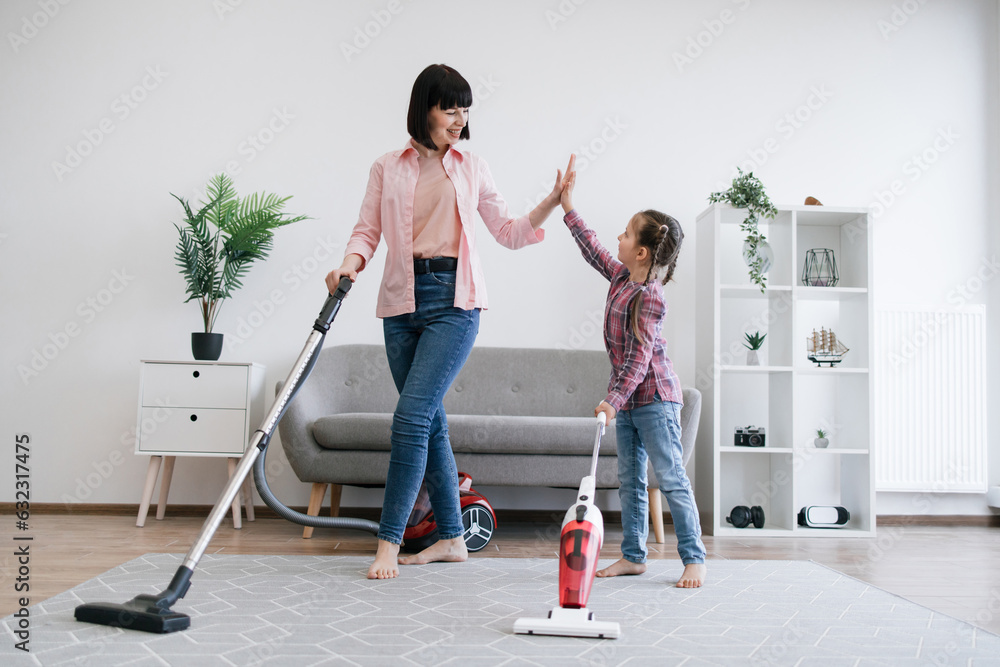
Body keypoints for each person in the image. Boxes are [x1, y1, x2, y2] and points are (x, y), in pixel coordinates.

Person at [325, 64, 568, 580]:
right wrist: (349, 264)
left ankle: (388, 543)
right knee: (429, 422)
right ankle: (453, 539)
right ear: (425, 108)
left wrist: (552, 201)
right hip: (399, 303)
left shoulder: (472, 166)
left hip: (455, 302)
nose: (460, 119)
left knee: (410, 419)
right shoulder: (386, 167)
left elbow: (507, 230)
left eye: (465, 110)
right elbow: (366, 230)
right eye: (450, 108)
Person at [558, 158, 707, 588]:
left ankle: (694, 557)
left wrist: (612, 401)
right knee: (629, 480)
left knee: (672, 477)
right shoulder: (622, 277)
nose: (617, 239)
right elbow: (593, 250)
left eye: (625, 233)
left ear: (641, 251)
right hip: (629, 402)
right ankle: (633, 556)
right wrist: (569, 208)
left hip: (656, 400)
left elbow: (640, 359)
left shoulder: (650, 296)